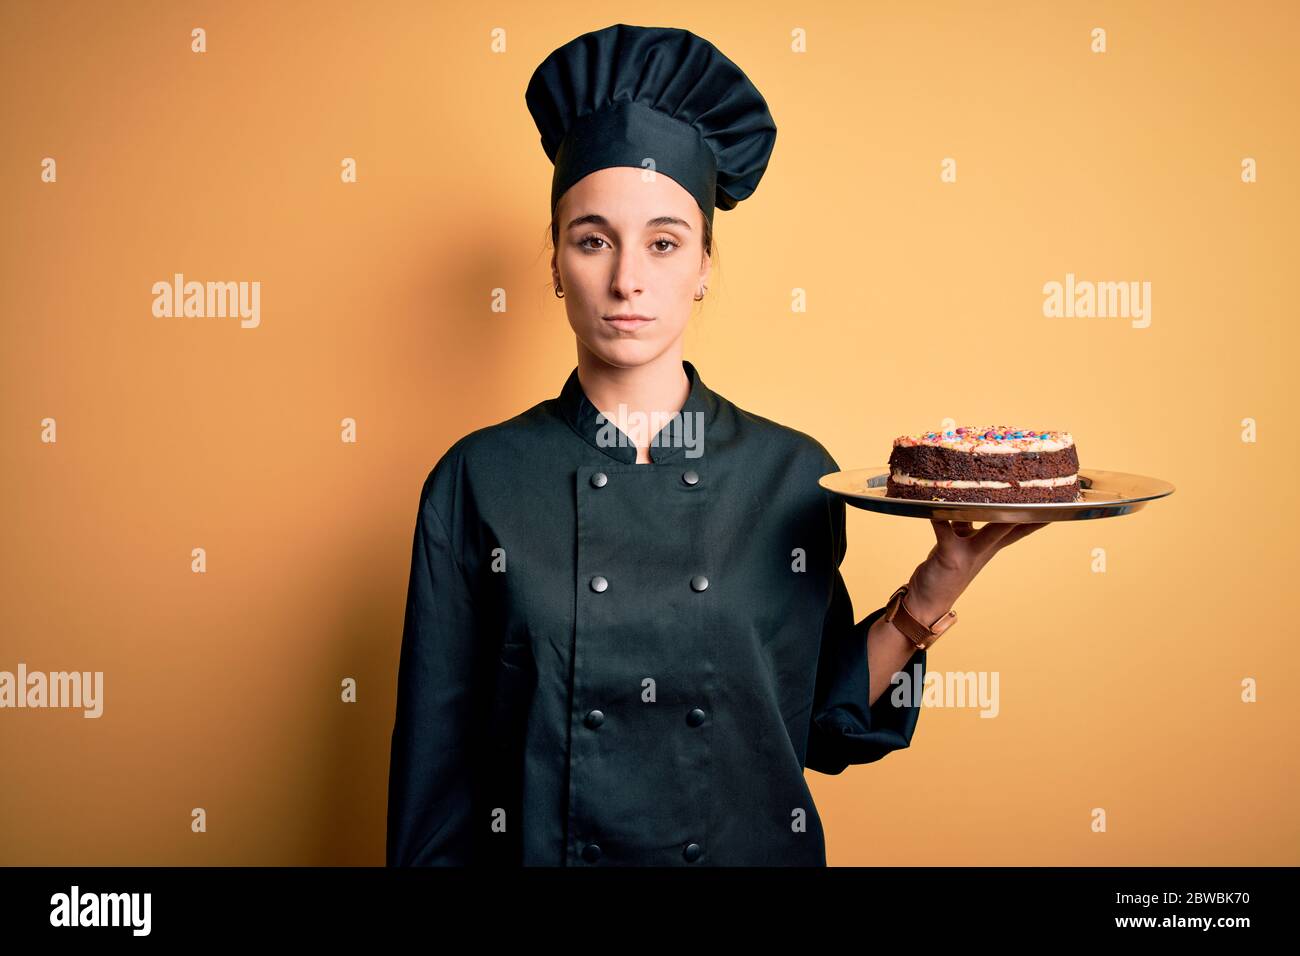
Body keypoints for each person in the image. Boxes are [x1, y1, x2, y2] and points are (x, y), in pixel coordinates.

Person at [386, 23, 1047, 867]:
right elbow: (434, 785)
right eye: (593, 240)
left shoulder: (795, 474)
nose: (629, 279)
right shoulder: (475, 479)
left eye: (664, 242)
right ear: (554, 262)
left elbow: (817, 723)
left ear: (704, 265)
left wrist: (936, 585)